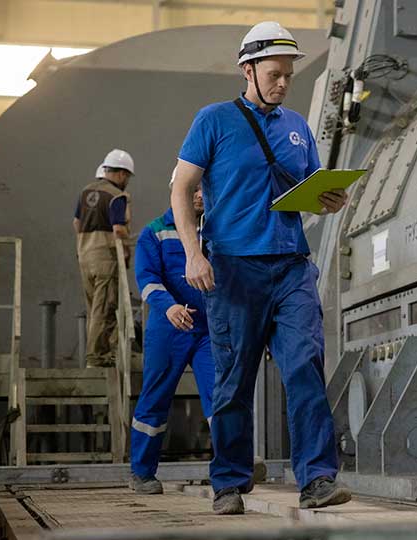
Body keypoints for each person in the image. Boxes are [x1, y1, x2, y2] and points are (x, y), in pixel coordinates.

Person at [170, 21, 350, 514]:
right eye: (275, 74)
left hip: (292, 266)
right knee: (234, 381)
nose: (284, 82)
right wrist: (193, 253)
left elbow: (309, 190)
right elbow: (181, 188)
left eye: (289, 74)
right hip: (233, 270)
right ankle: (229, 483)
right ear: (247, 70)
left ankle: (318, 479)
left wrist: (327, 199)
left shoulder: (297, 127)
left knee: (305, 367)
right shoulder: (213, 121)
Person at [129, 180, 215, 494]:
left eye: (204, 189)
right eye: (193, 189)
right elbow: (147, 279)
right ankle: (142, 473)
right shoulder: (154, 232)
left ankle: (231, 470)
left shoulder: (216, 230)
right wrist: (169, 307)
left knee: (221, 398)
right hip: (168, 329)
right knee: (155, 398)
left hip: (208, 330)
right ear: (177, 191)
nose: (200, 195)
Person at [73, 149, 135, 368]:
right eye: (127, 176)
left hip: (85, 255)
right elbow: (118, 229)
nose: (127, 181)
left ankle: (97, 354)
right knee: (105, 308)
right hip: (106, 258)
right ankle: (97, 357)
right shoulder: (117, 195)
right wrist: (127, 247)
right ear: (121, 173)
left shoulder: (85, 191)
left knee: (93, 307)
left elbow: (76, 223)